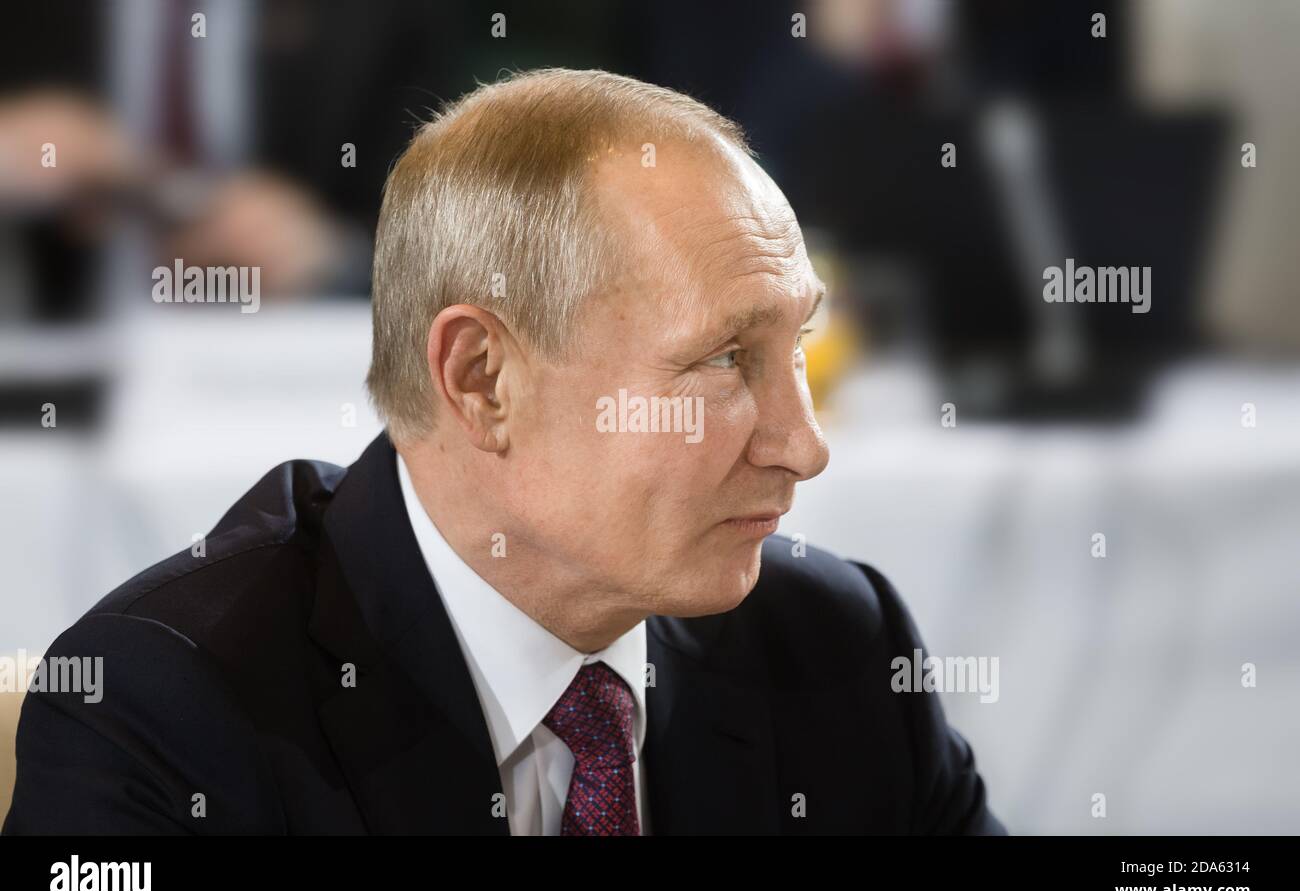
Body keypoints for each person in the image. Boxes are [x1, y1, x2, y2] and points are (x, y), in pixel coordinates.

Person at [4, 68, 1005, 835]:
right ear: (483, 379)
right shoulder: (166, 710)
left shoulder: (842, 647)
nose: (804, 444)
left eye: (797, 346)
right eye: (726, 358)